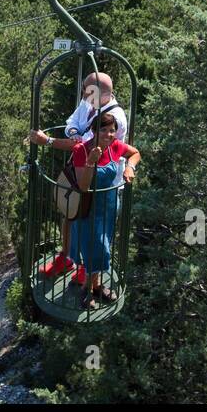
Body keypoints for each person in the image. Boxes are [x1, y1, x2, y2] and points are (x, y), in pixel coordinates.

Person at [28, 72, 129, 284]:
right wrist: (73, 130)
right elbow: (74, 120)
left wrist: (47, 141)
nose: (83, 93)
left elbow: (84, 145)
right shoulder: (89, 102)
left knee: (91, 225)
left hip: (101, 180)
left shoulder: (114, 118)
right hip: (81, 171)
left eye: (87, 90)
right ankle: (68, 257)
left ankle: (86, 268)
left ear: (99, 93)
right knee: (70, 214)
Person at [69, 110, 139, 310]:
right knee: (96, 249)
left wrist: (129, 167)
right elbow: (83, 186)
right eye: (104, 130)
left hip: (108, 206)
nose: (109, 135)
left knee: (103, 246)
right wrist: (91, 161)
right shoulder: (81, 150)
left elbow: (134, 153)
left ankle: (96, 286)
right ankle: (86, 290)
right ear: (93, 130)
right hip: (89, 207)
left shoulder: (115, 146)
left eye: (112, 131)